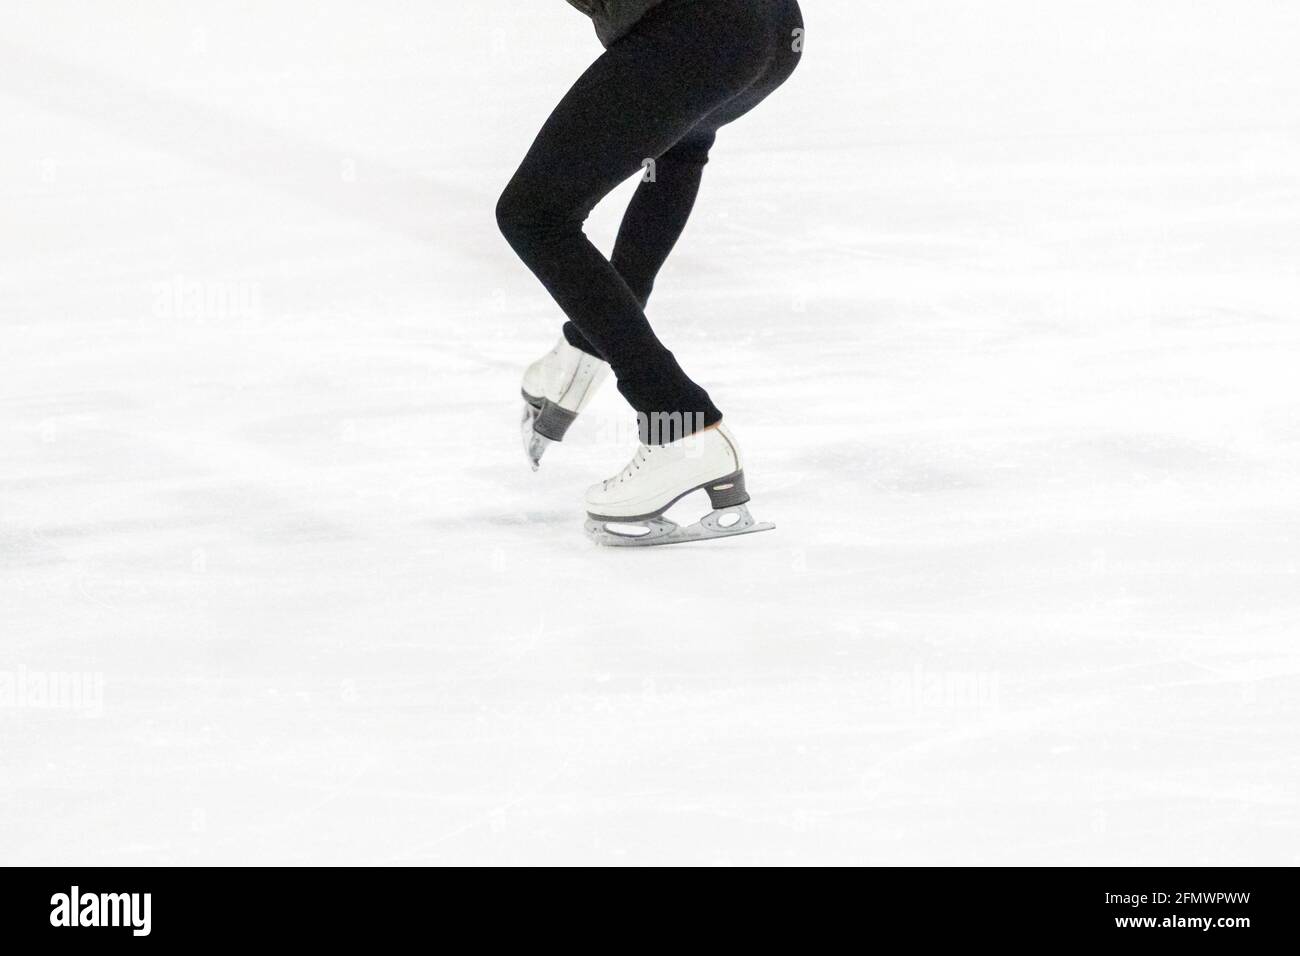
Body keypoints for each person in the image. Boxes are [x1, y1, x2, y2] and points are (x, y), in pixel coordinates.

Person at [498, 0, 804, 545]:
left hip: (700, 31)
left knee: (535, 214)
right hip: (771, 31)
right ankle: (586, 351)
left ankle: (680, 425)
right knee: (675, 152)